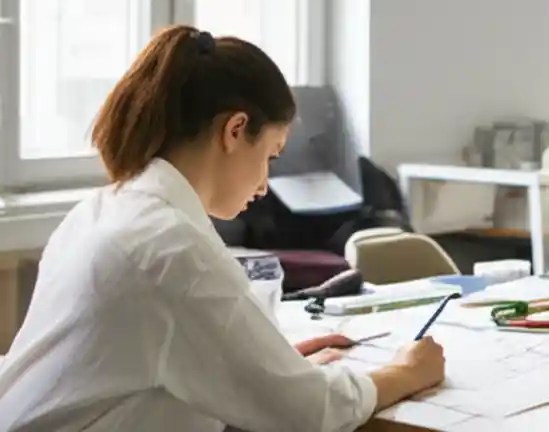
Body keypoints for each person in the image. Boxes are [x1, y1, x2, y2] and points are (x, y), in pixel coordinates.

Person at [0, 26, 445, 432]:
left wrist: (261, 367)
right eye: (271, 155)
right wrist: (404, 373)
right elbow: (308, 414)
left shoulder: (108, 209)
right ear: (235, 130)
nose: (265, 183)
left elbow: (143, 359)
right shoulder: (171, 249)